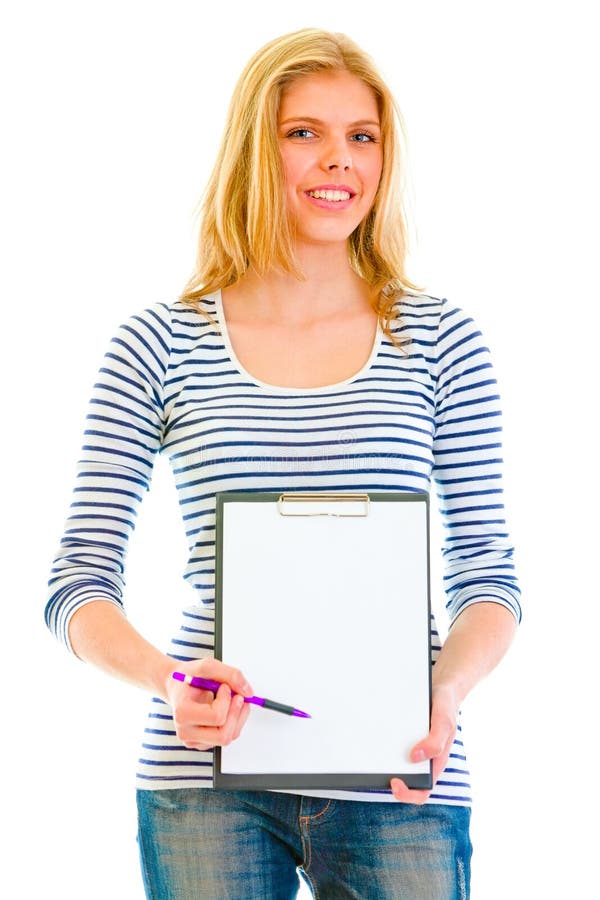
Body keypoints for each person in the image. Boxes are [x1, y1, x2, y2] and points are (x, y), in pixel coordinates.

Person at [45, 27, 521, 900]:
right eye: (303, 131)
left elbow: (490, 576)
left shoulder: (440, 341)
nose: (338, 158)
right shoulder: (159, 343)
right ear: (255, 151)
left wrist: (445, 696)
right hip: (204, 785)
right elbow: (77, 583)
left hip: (400, 775)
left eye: (361, 136)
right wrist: (168, 679)